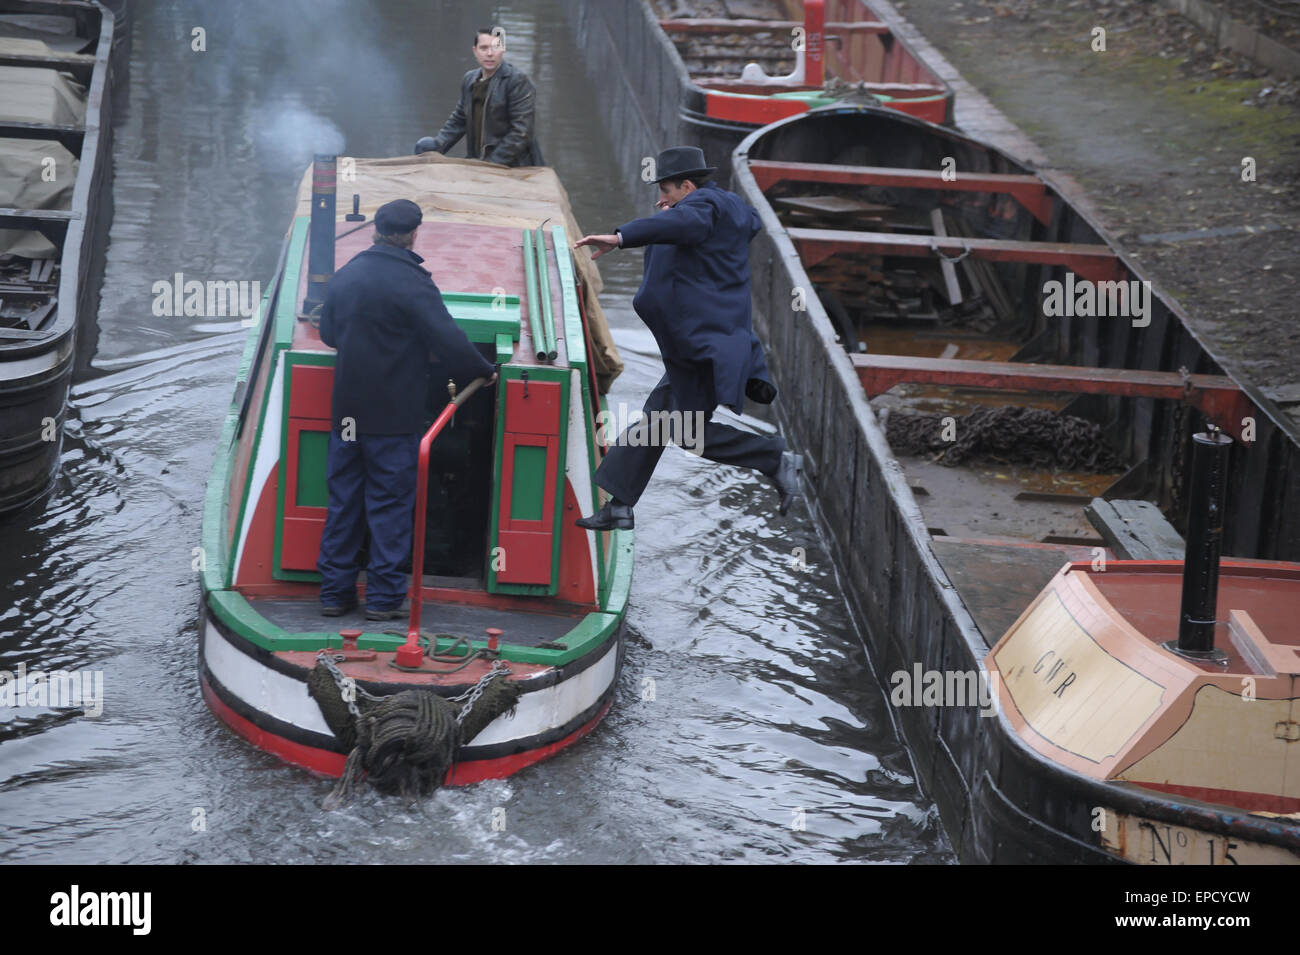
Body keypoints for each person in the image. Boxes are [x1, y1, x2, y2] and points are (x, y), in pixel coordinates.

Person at [574, 146, 801, 531]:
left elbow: (682, 226)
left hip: (706, 350)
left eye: (666, 191)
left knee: (680, 429)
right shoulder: (715, 217)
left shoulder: (705, 207)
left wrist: (621, 236)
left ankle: (772, 456)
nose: (661, 200)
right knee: (658, 422)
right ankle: (620, 506)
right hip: (701, 347)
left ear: (688, 186)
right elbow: (676, 245)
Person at [317, 198, 497, 620]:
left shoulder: (345, 276)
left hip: (346, 417)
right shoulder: (412, 282)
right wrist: (483, 371)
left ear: (375, 229)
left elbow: (328, 334)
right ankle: (382, 601)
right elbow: (446, 338)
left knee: (343, 502)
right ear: (414, 233)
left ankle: (334, 594)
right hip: (392, 420)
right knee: (389, 506)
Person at [413, 27, 544, 167]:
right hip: (478, 160)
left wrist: (491, 164)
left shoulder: (517, 81)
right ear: (475, 51)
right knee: (424, 147)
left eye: (495, 48)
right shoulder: (470, 79)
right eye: (484, 48)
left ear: (503, 50)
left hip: (514, 165)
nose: (489, 53)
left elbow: (521, 132)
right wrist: (439, 144)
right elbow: (460, 118)